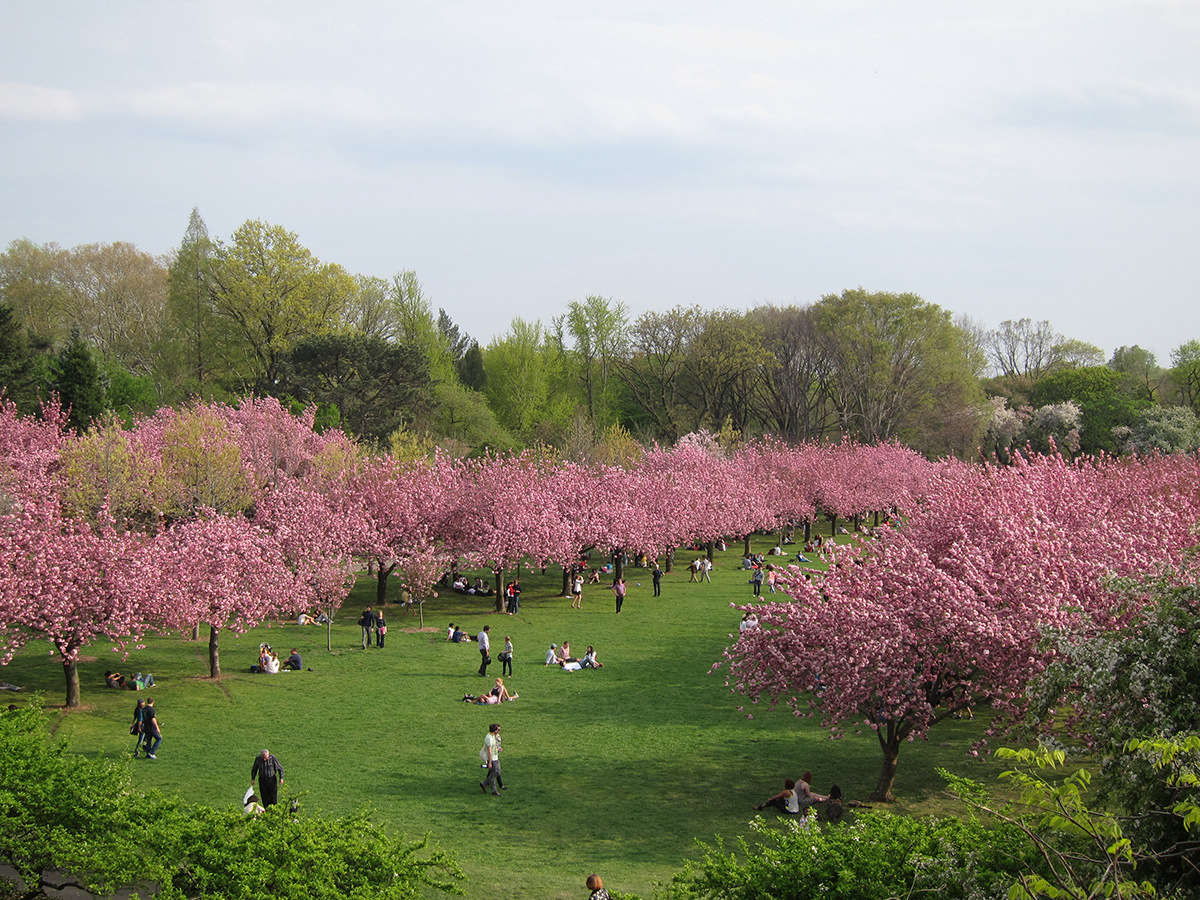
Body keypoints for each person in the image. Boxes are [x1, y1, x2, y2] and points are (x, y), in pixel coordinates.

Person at [479, 723, 502, 796]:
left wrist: (498, 749)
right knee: (494, 774)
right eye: (497, 729)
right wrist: (490, 762)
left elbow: (494, 746)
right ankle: (494, 791)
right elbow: (489, 751)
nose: (499, 730)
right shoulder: (488, 738)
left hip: (496, 756)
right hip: (492, 758)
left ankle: (484, 783)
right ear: (494, 730)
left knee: (497, 772)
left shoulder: (493, 736)